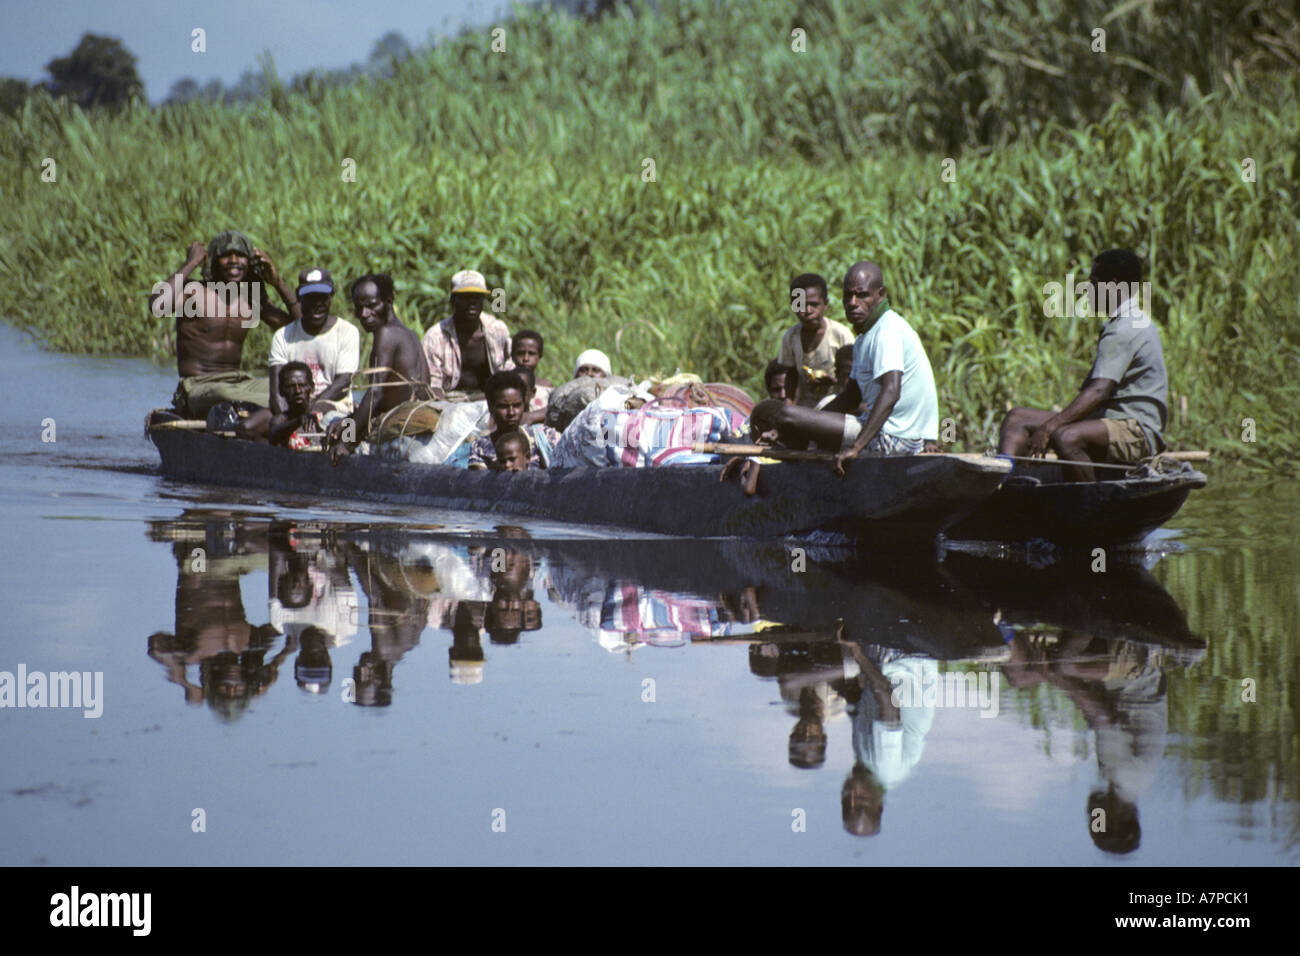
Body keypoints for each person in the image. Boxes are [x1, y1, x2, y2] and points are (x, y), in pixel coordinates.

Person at [729, 263, 939, 477]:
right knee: (790, 419)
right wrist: (797, 426)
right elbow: (850, 396)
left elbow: (891, 391)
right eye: (848, 296)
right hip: (891, 432)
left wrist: (856, 447)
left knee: (787, 413)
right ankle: (788, 444)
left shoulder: (886, 331)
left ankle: (787, 450)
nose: (853, 303)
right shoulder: (864, 336)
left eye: (862, 296)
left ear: (880, 295)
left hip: (896, 438)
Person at [997, 249, 1167, 482]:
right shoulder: (1125, 322)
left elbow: (1099, 390)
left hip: (1136, 431)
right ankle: (1004, 484)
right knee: (1017, 418)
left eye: (1094, 283)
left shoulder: (1127, 327)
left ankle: (1090, 501)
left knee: (1067, 437)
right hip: (1109, 421)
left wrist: (1048, 429)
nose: (1088, 291)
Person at [154, 230, 298, 419]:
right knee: (226, 395)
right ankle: (277, 412)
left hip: (240, 382)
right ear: (213, 261)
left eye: (240, 255)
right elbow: (158, 305)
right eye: (225, 256)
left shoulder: (251, 297)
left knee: (291, 388)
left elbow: (299, 329)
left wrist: (278, 282)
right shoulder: (194, 292)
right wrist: (191, 263)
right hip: (199, 386)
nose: (234, 260)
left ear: (249, 262)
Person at [326, 273, 432, 461]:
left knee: (329, 421)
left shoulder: (386, 334)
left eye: (371, 306)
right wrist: (350, 420)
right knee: (343, 421)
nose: (364, 314)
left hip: (401, 426)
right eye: (359, 308)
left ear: (388, 302)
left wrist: (346, 441)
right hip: (409, 419)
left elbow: (376, 393)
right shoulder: (409, 334)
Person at [267, 267, 361, 427]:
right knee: (249, 427)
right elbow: (276, 394)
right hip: (293, 411)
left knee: (333, 426)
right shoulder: (283, 336)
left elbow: (343, 383)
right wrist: (287, 420)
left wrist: (312, 409)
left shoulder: (347, 332)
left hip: (335, 409)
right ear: (299, 297)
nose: (317, 304)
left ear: (331, 297)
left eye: (322, 297)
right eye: (310, 298)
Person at [421, 270, 512, 396]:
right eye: (465, 297)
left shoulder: (498, 330)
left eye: (477, 297)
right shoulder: (436, 336)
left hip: (491, 400)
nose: (472, 302)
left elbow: (510, 371)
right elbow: (432, 384)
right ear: (453, 300)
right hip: (450, 400)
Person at [778, 272, 856, 407]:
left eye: (814, 304)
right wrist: (788, 403)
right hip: (805, 405)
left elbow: (855, 375)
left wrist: (834, 381)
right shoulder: (791, 337)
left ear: (825, 304)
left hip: (838, 403)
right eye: (801, 305)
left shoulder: (840, 335)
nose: (808, 311)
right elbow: (790, 375)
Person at [468, 371, 561, 470]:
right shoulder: (481, 447)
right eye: (503, 407)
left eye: (517, 405)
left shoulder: (544, 436)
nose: (511, 413)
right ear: (491, 407)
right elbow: (478, 482)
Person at [266, 361, 323, 449]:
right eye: (291, 386)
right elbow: (274, 434)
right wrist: (297, 421)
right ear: (281, 391)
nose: (298, 391)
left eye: (302, 385)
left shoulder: (323, 413)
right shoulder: (280, 420)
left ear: (311, 388)